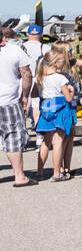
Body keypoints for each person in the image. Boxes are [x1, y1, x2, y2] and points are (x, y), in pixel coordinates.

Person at [0, 27, 36, 187]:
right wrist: (25, 96)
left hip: (8, 99)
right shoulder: (14, 50)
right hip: (8, 100)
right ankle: (19, 176)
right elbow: (27, 74)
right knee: (12, 136)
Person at [34, 50, 76, 181]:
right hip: (60, 109)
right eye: (63, 61)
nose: (64, 64)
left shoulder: (39, 77)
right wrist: (72, 91)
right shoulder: (60, 78)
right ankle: (57, 173)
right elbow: (68, 98)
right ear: (55, 63)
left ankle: (39, 171)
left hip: (46, 110)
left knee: (46, 142)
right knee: (58, 141)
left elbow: (35, 94)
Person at [21, 24, 48, 129]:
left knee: (23, 107)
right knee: (37, 107)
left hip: (23, 80)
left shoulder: (20, 47)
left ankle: (22, 133)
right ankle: (39, 137)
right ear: (41, 34)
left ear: (27, 34)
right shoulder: (46, 47)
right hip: (40, 80)